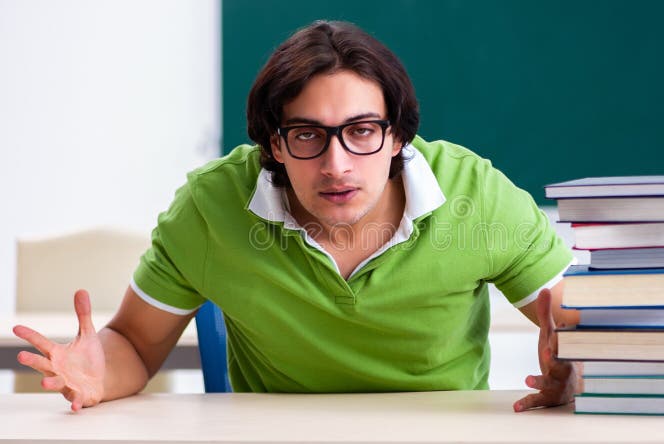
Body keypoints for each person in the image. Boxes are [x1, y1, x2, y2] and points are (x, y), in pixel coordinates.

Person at [13, 20, 580, 412]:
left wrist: (575, 373)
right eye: (307, 134)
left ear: (398, 137)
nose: (337, 165)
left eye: (361, 131)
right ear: (273, 146)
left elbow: (581, 335)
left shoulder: (476, 195)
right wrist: (98, 372)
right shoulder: (212, 207)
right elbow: (135, 346)